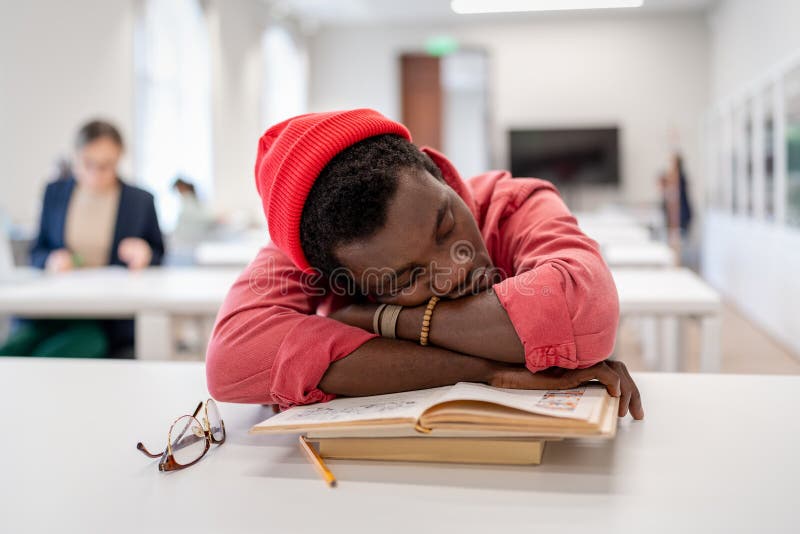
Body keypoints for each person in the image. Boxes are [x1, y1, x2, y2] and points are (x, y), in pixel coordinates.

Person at [205, 109, 643, 419]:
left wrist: (384, 320)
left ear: (440, 174)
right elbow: (232, 361)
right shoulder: (317, 245)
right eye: (405, 278)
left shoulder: (515, 202)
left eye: (446, 225)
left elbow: (584, 311)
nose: (454, 270)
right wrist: (489, 370)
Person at [0, 120, 164, 358]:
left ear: (119, 158)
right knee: (13, 348)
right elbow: (37, 251)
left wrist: (145, 254)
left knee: (68, 348)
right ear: (76, 157)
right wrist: (50, 260)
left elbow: (159, 254)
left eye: (106, 165)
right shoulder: (54, 193)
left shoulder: (141, 200)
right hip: (54, 306)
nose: (96, 173)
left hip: (106, 314)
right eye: (88, 163)